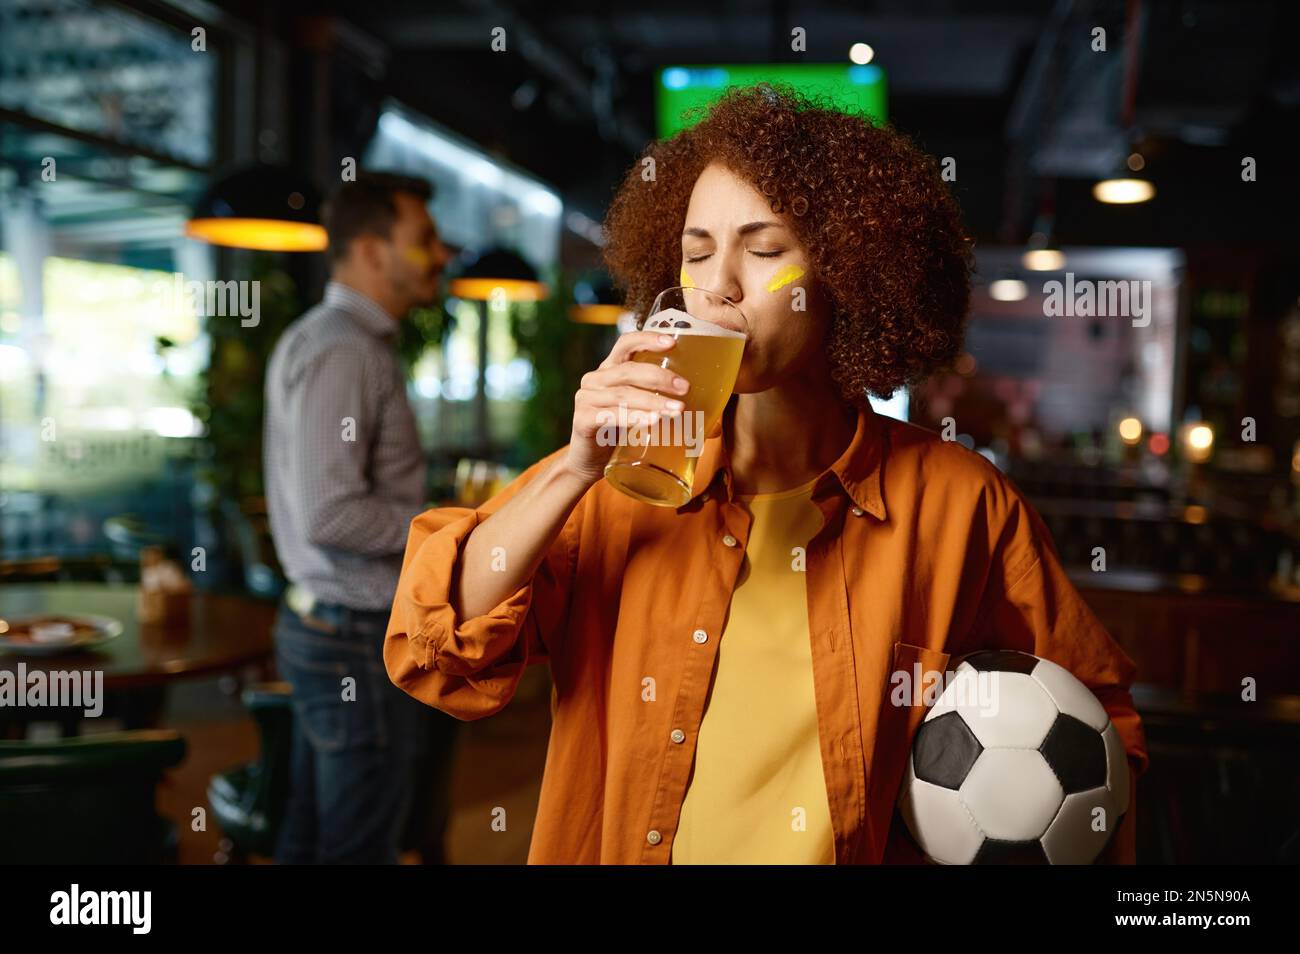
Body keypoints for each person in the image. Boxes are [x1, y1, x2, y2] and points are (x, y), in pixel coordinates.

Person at [384, 84, 1149, 864]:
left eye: (764, 249)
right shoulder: (615, 481)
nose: (718, 285)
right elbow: (436, 649)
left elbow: (1099, 728)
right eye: (696, 251)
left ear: (849, 272)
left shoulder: (960, 505)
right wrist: (575, 467)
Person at [264, 170, 456, 864]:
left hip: (329, 622)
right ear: (373, 251)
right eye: (425, 239)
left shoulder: (330, 338)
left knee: (313, 837)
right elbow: (331, 513)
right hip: (356, 636)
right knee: (358, 851)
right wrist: (448, 527)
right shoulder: (346, 349)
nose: (441, 254)